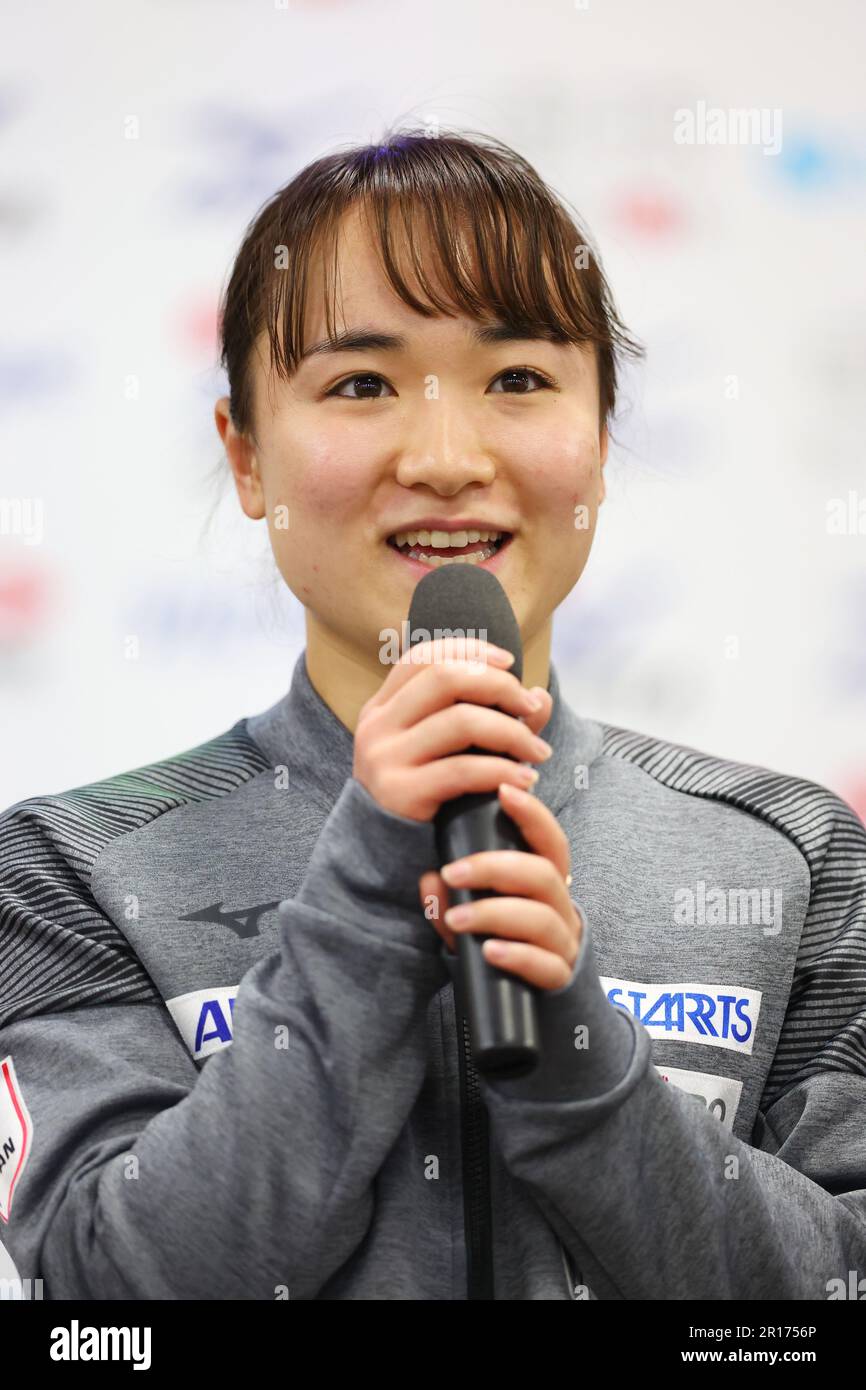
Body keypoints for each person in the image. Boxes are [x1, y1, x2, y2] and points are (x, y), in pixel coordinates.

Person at [1, 128, 864, 1302]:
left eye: (516, 379)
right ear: (245, 456)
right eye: (359, 384)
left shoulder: (796, 858)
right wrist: (364, 901)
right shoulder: (71, 868)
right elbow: (108, 1301)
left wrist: (576, 1056)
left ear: (600, 439)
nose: (447, 456)